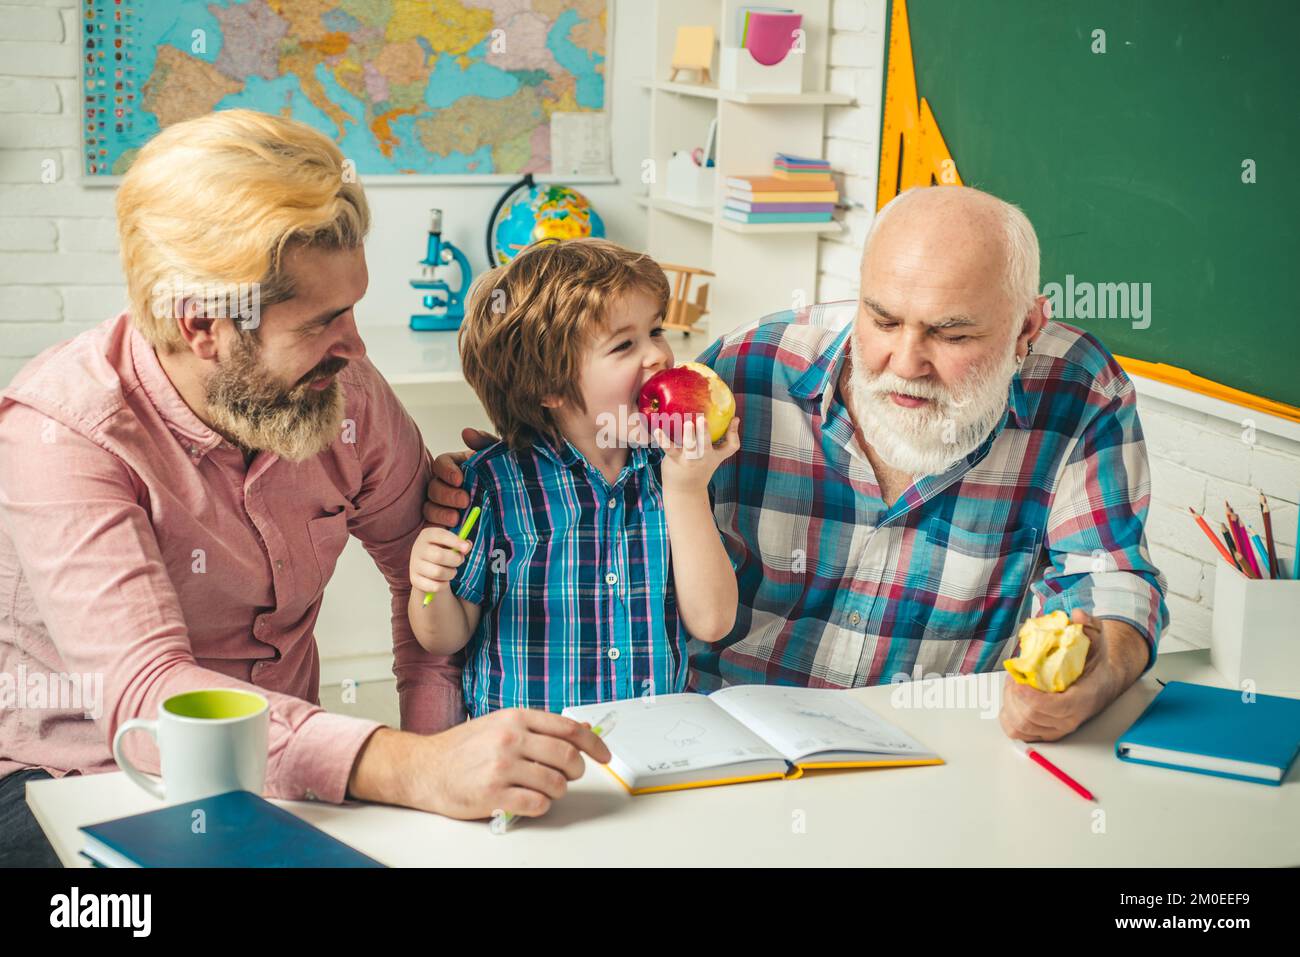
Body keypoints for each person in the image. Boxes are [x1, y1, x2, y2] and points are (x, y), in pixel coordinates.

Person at [0, 110, 608, 867]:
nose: (354, 347)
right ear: (204, 327)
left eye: (353, 307)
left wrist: (434, 763)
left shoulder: (345, 390)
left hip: (288, 780)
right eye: (325, 321)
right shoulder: (65, 432)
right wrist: (415, 769)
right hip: (79, 780)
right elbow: (151, 695)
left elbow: (421, 573)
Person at [425, 185, 1169, 745]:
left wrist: (1094, 671)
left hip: (922, 756)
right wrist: (512, 458)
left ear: (1026, 328)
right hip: (715, 747)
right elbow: (598, 455)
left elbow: (1112, 580)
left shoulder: (1080, 394)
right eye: (881, 319)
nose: (906, 362)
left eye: (951, 333)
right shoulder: (752, 366)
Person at [408, 238, 740, 717]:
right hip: (527, 751)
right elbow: (447, 635)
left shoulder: (671, 471)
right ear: (548, 387)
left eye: (657, 331)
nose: (658, 357)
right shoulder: (492, 485)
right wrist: (428, 584)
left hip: (654, 743)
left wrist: (686, 488)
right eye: (625, 345)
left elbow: (712, 622)